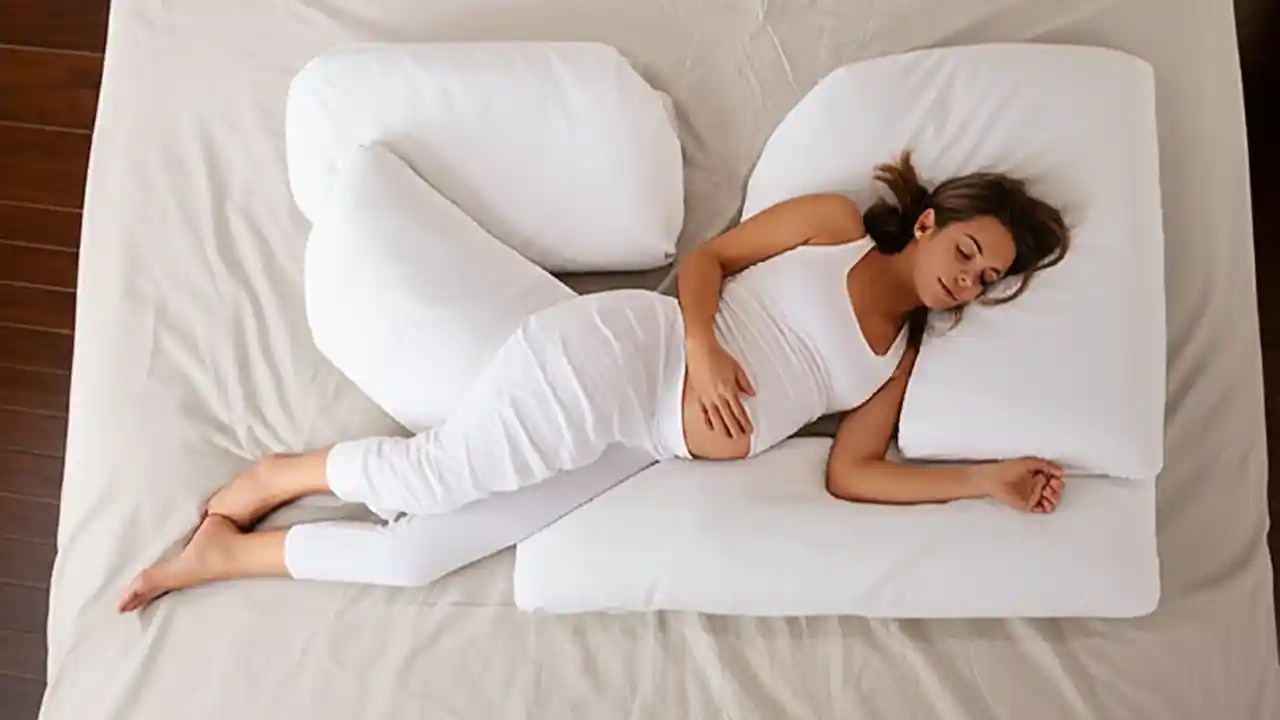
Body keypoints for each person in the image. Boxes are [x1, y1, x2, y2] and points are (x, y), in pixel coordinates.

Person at [118, 151, 1070, 612]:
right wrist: (703, 348)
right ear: (934, 217)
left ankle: (220, 557)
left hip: (640, 445)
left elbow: (854, 473)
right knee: (435, 478)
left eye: (987, 279)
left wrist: (985, 479)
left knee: (415, 558)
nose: (969, 276)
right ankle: (275, 476)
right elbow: (708, 259)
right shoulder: (835, 225)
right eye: (972, 249)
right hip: (635, 355)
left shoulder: (896, 357)